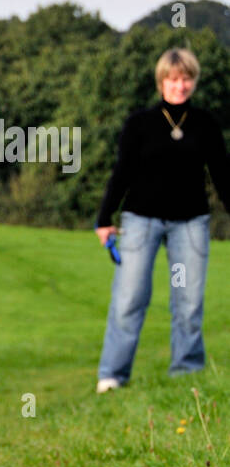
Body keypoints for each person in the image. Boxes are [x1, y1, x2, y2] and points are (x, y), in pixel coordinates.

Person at [94, 47, 229, 393]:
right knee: (129, 298)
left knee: (188, 301)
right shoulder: (140, 124)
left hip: (191, 223)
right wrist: (103, 218)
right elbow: (121, 173)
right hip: (142, 220)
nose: (179, 85)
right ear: (161, 82)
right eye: (173, 78)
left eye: (186, 78)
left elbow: (223, 176)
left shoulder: (206, 125)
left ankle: (186, 372)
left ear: (194, 81)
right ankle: (113, 375)